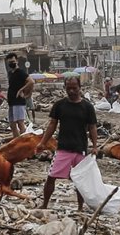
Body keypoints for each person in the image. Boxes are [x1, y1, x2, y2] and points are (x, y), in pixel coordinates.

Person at [40, 73, 100, 210]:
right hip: (63, 148)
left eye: (74, 88)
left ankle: (80, 207)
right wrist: (43, 142)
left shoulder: (87, 107)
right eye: (69, 88)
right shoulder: (59, 105)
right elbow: (52, 125)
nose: (71, 91)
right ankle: (44, 204)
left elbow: (92, 127)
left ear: (80, 87)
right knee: (51, 176)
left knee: (80, 181)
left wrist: (95, 146)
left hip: (80, 149)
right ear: (65, 88)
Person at [6, 54, 32, 136]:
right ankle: (17, 141)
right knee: (12, 124)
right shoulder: (10, 73)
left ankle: (24, 141)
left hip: (18, 101)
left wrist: (21, 90)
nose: (11, 63)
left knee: (20, 122)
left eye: (13, 61)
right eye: (9, 62)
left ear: (17, 61)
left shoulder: (21, 72)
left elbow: (31, 82)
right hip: (11, 101)